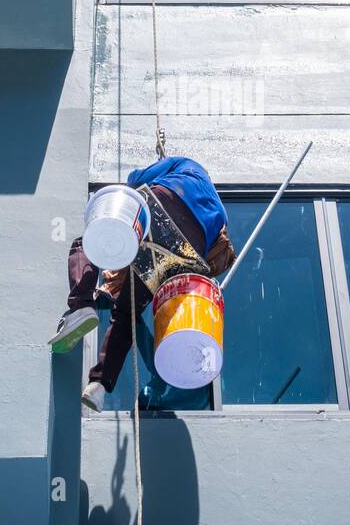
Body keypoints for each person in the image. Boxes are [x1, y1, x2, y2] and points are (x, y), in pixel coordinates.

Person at [49, 156, 235, 410]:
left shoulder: (187, 165)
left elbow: (135, 178)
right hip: (187, 251)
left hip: (166, 204)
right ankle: (100, 386)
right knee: (127, 310)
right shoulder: (219, 211)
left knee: (87, 243)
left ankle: (81, 305)